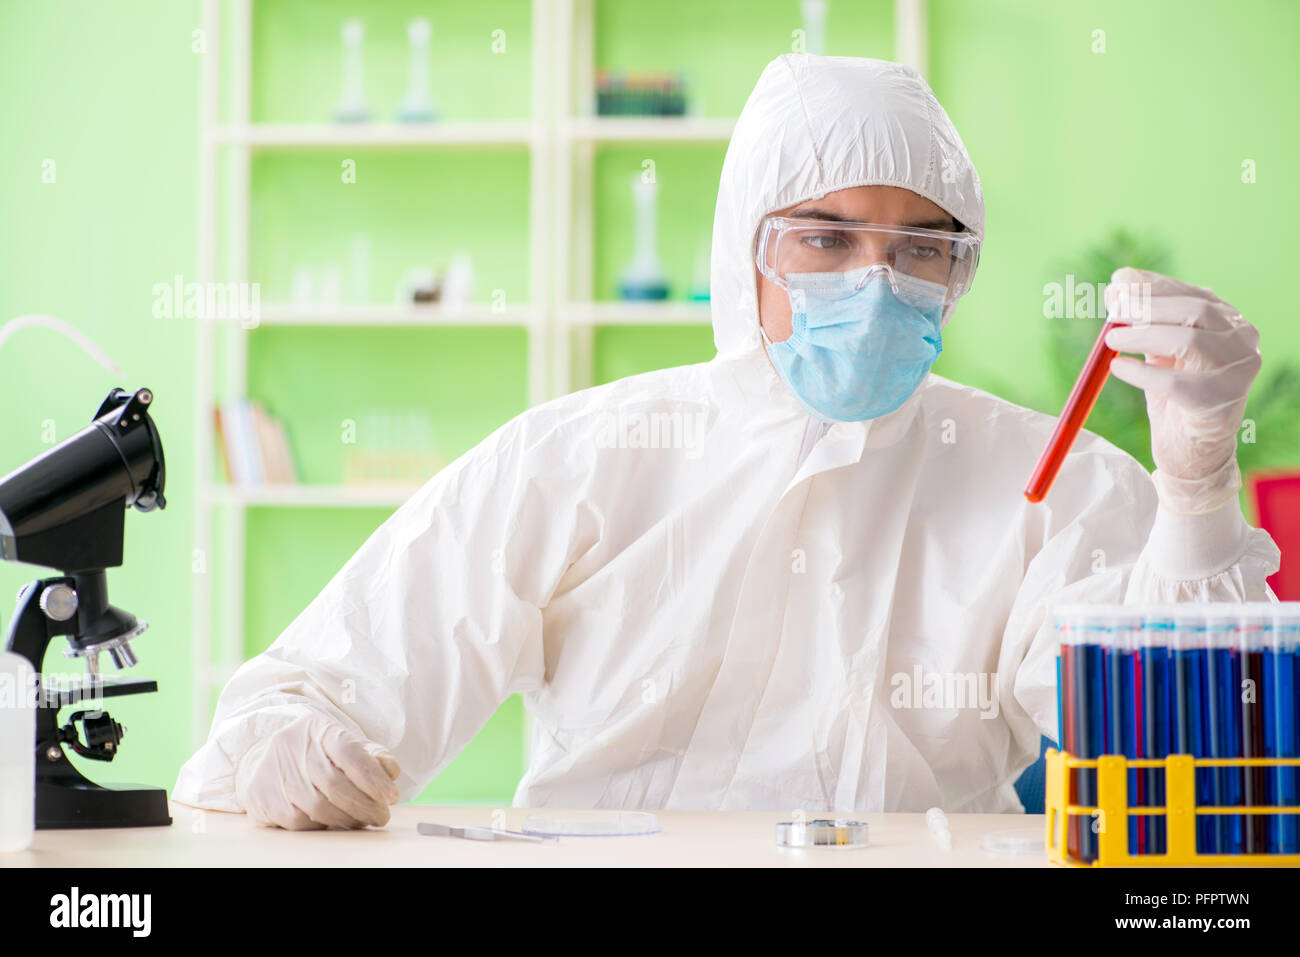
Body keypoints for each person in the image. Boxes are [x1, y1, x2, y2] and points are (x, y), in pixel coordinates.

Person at [173, 55, 1277, 829]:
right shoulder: (583, 459)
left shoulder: (1048, 481)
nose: (876, 281)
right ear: (743, 253)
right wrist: (287, 755)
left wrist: (1191, 491)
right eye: (825, 237)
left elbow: (1190, 764)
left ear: (961, 268)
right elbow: (315, 694)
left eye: (920, 249)